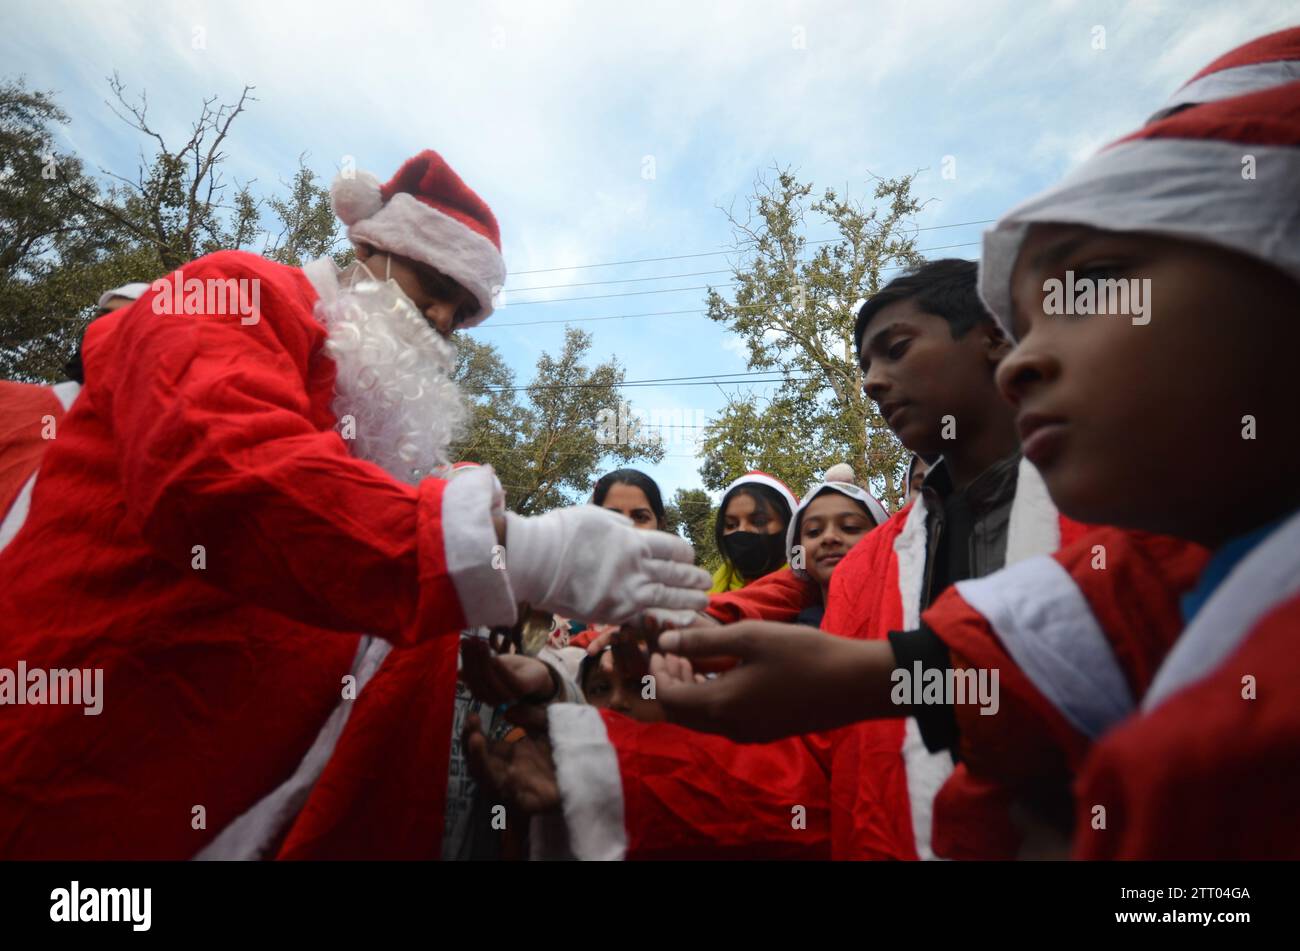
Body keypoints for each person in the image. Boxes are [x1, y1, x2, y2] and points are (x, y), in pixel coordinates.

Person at [647, 27, 1300, 860]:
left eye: (1090, 283)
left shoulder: (1142, 522)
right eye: (1023, 320)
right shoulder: (1149, 564)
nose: (1029, 353)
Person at [0, 148, 710, 860]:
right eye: (433, 283)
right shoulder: (235, 291)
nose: (441, 315)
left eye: (462, 311)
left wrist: (533, 673)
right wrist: (519, 550)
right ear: (371, 247)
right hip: (94, 771)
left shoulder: (384, 444)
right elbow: (215, 465)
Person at [467, 259, 1081, 860]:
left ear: (994, 337)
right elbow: (825, 773)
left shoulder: (1123, 510)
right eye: (863, 364)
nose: (870, 381)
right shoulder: (869, 571)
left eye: (895, 349)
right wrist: (601, 768)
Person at [1, 281, 148, 550]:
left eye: (127, 322)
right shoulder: (12, 403)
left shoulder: (170, 447)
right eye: (104, 319)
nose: (107, 331)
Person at [787, 478, 888, 627]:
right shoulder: (789, 634)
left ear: (884, 540)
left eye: (850, 527)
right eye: (814, 531)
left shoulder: (912, 618)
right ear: (797, 551)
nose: (829, 538)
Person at [710, 471, 798, 592]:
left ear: (790, 527)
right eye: (731, 525)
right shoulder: (703, 596)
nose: (742, 530)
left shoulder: (814, 592)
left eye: (759, 522)